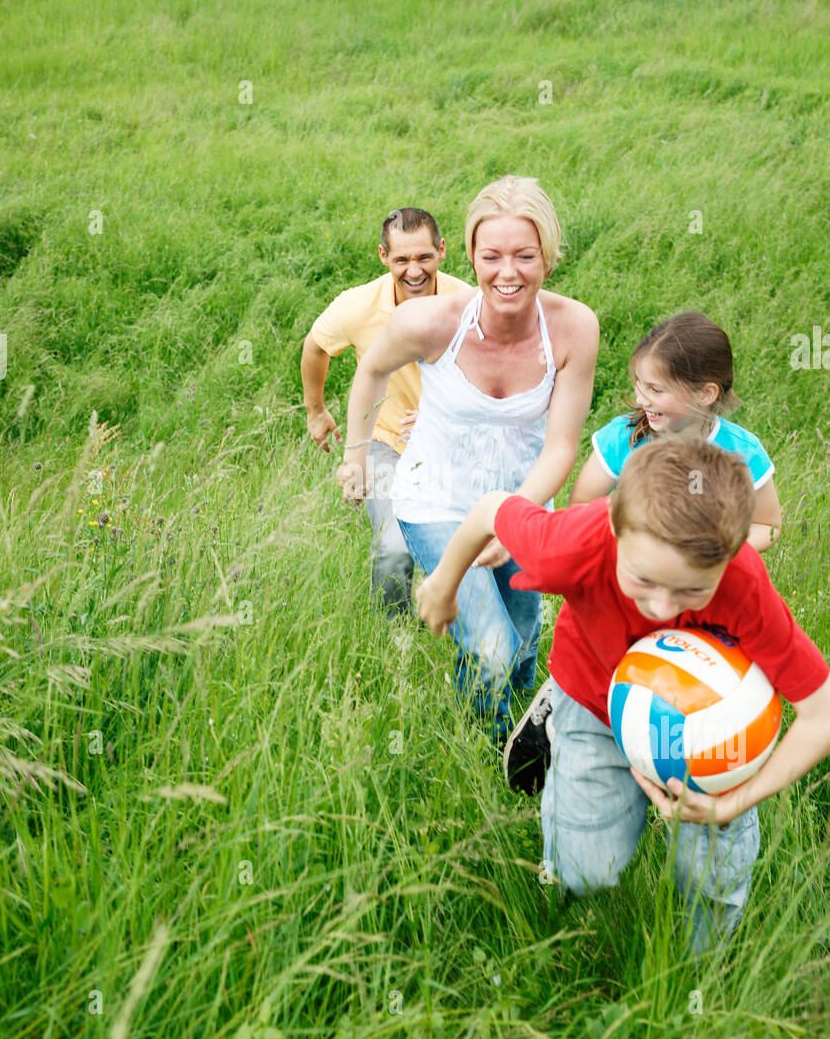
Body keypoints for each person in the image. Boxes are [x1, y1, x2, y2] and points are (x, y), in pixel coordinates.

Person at [415, 437, 830, 955]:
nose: (661, 607)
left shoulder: (743, 582)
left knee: (712, 875)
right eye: (643, 579)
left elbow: (821, 713)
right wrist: (442, 586)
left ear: (731, 554)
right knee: (586, 871)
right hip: (593, 697)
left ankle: (698, 974)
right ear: (614, 526)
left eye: (692, 591)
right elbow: (491, 510)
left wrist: (738, 801)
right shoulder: (574, 541)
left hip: (716, 723)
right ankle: (553, 723)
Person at [338, 176, 599, 742]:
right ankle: (489, 759)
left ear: (547, 258)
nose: (508, 272)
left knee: (525, 648)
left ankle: (522, 740)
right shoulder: (431, 321)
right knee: (493, 648)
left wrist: (516, 518)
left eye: (525, 256)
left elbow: (561, 447)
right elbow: (370, 371)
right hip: (435, 501)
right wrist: (356, 453)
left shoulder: (574, 328)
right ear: (472, 257)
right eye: (492, 256)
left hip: (523, 506)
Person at [302, 208, 473, 616]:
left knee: (473, 547)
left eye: (423, 258)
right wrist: (315, 411)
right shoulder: (358, 307)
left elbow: (494, 377)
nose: (413, 270)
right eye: (401, 260)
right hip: (386, 445)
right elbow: (315, 346)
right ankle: (393, 639)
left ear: (442, 251)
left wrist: (444, 418)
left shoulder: (467, 303)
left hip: (456, 446)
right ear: (384, 256)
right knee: (395, 544)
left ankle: (467, 632)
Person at [569, 311, 783, 552]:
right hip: (634, 576)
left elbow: (767, 525)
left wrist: (715, 557)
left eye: (656, 390)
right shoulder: (622, 438)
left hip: (706, 584)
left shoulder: (742, 451)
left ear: (705, 394)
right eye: (640, 383)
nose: (642, 399)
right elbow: (581, 508)